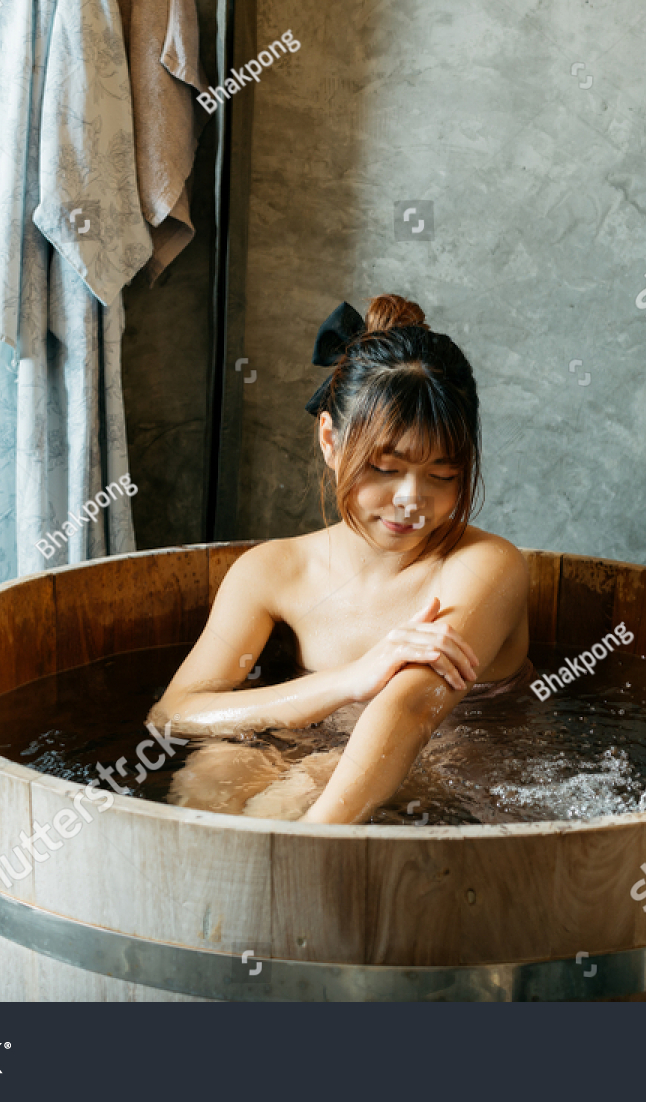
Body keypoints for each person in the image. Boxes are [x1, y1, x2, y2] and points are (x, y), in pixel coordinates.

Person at [149, 294, 532, 824]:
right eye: (384, 466)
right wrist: (349, 680)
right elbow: (175, 714)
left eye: (443, 475)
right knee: (218, 766)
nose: (411, 499)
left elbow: (411, 708)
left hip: (446, 761)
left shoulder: (483, 566)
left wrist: (308, 840)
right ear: (330, 440)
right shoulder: (274, 571)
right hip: (310, 743)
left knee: (311, 778)